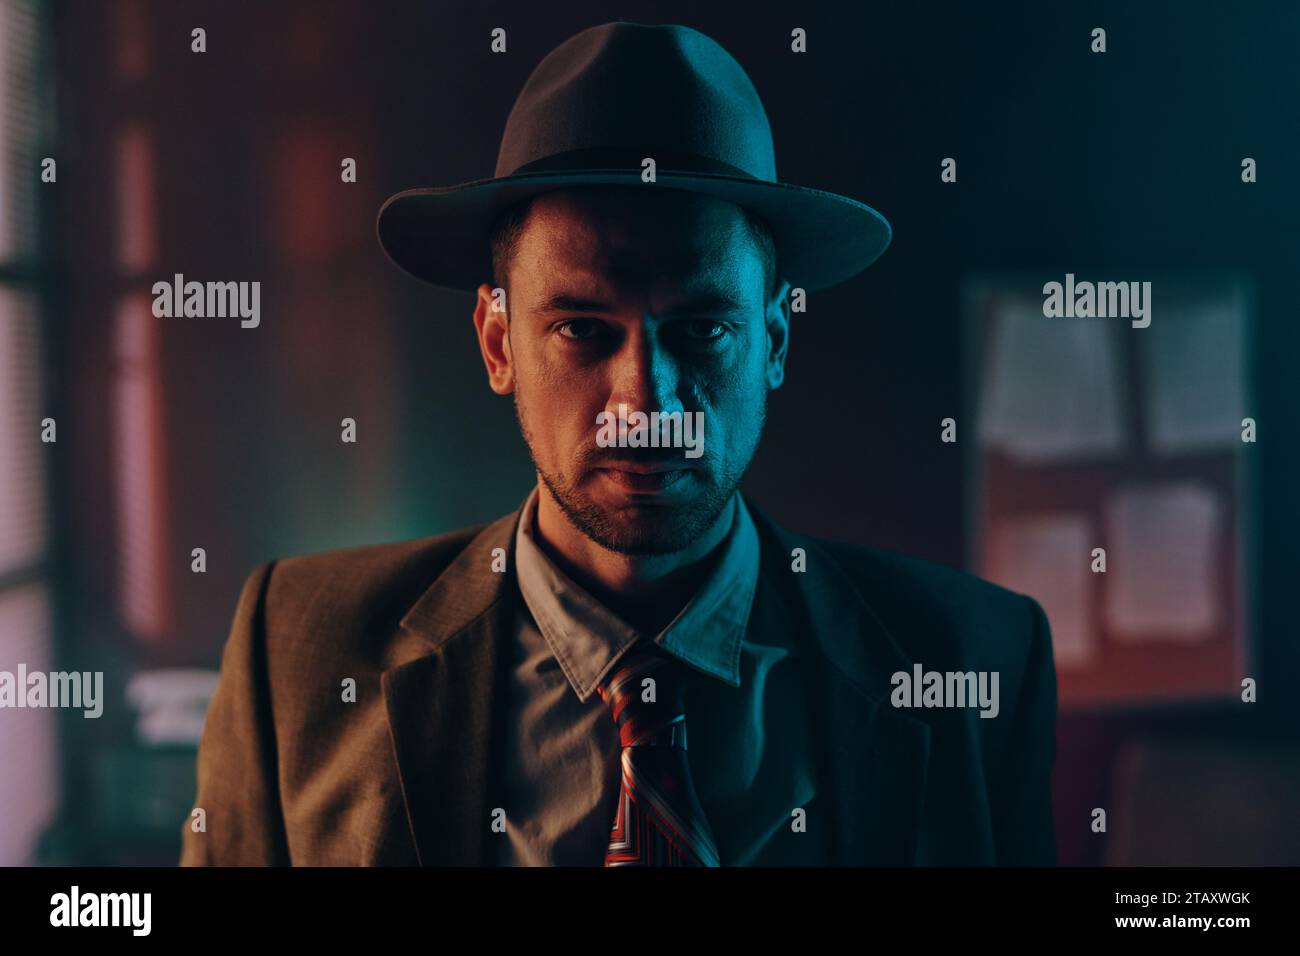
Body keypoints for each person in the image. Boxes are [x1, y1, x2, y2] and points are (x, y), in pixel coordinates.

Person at [180, 20, 1056, 867]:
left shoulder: (972, 664)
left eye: (703, 330)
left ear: (775, 342)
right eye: (583, 329)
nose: (644, 398)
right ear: (498, 344)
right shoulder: (297, 655)